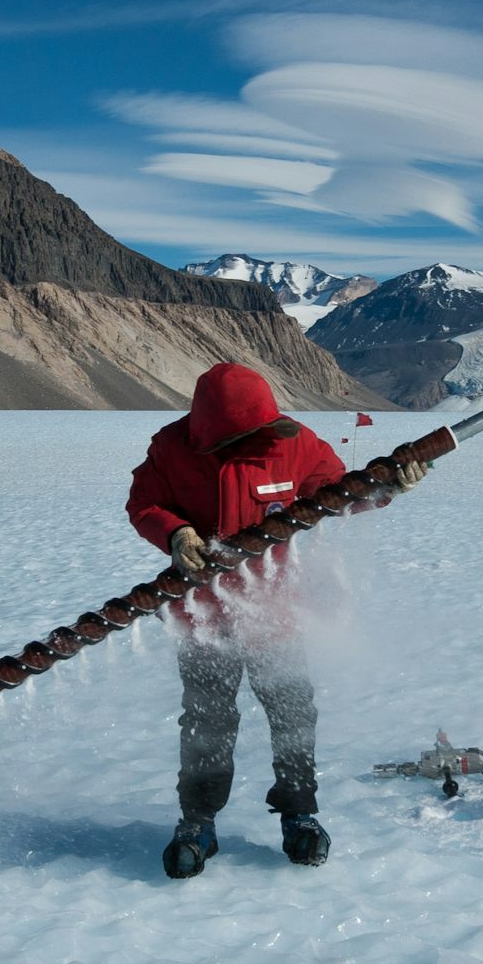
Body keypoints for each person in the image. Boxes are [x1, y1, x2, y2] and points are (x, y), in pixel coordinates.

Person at [126, 363, 425, 880]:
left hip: (273, 612)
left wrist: (387, 487)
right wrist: (175, 533)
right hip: (204, 614)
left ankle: (299, 814)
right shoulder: (172, 449)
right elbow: (143, 503)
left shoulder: (294, 444)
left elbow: (341, 493)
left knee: (293, 716)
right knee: (207, 723)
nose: (252, 439)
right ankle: (197, 823)